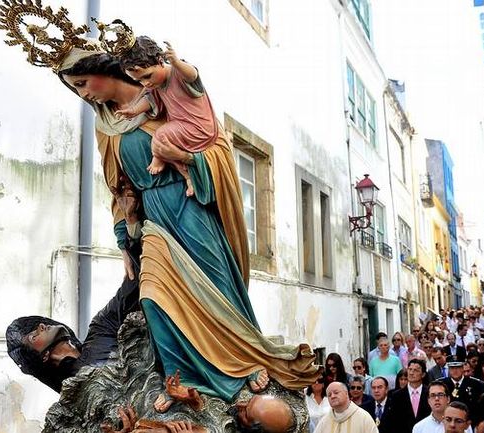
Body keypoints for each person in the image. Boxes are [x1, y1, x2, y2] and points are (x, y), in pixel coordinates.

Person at [54, 49, 319, 411]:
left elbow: (215, 146)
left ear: (104, 70)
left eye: (83, 83)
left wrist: (190, 160)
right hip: (154, 221)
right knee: (153, 299)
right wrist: (124, 237)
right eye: (76, 89)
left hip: (192, 206)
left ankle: (242, 363)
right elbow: (117, 188)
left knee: (216, 288)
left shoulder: (164, 100)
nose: (84, 95)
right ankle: (179, 378)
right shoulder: (106, 125)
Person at [114, 35, 217, 197]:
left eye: (147, 76)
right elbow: (151, 100)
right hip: (180, 126)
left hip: (198, 126)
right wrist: (134, 111)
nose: (145, 83)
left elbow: (193, 75)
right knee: (164, 147)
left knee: (160, 137)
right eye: (139, 80)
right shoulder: (156, 84)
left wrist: (176, 62)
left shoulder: (179, 74)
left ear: (160, 61)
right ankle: (187, 176)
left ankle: (159, 158)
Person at [6, 275, 140, 392]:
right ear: (43, 357)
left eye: (37, 326)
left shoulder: (100, 329)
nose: (41, 326)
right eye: (33, 336)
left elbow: (132, 286)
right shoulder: (75, 393)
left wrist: (127, 248)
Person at [382, 359, 431, 433]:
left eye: (416, 370)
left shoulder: (430, 393)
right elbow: (390, 421)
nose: (411, 373)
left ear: (423, 374)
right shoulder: (395, 396)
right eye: (410, 369)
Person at [314, 382, 378, 433]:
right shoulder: (324, 421)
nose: (332, 396)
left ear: (346, 393)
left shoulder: (364, 417)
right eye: (329, 395)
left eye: (336, 393)